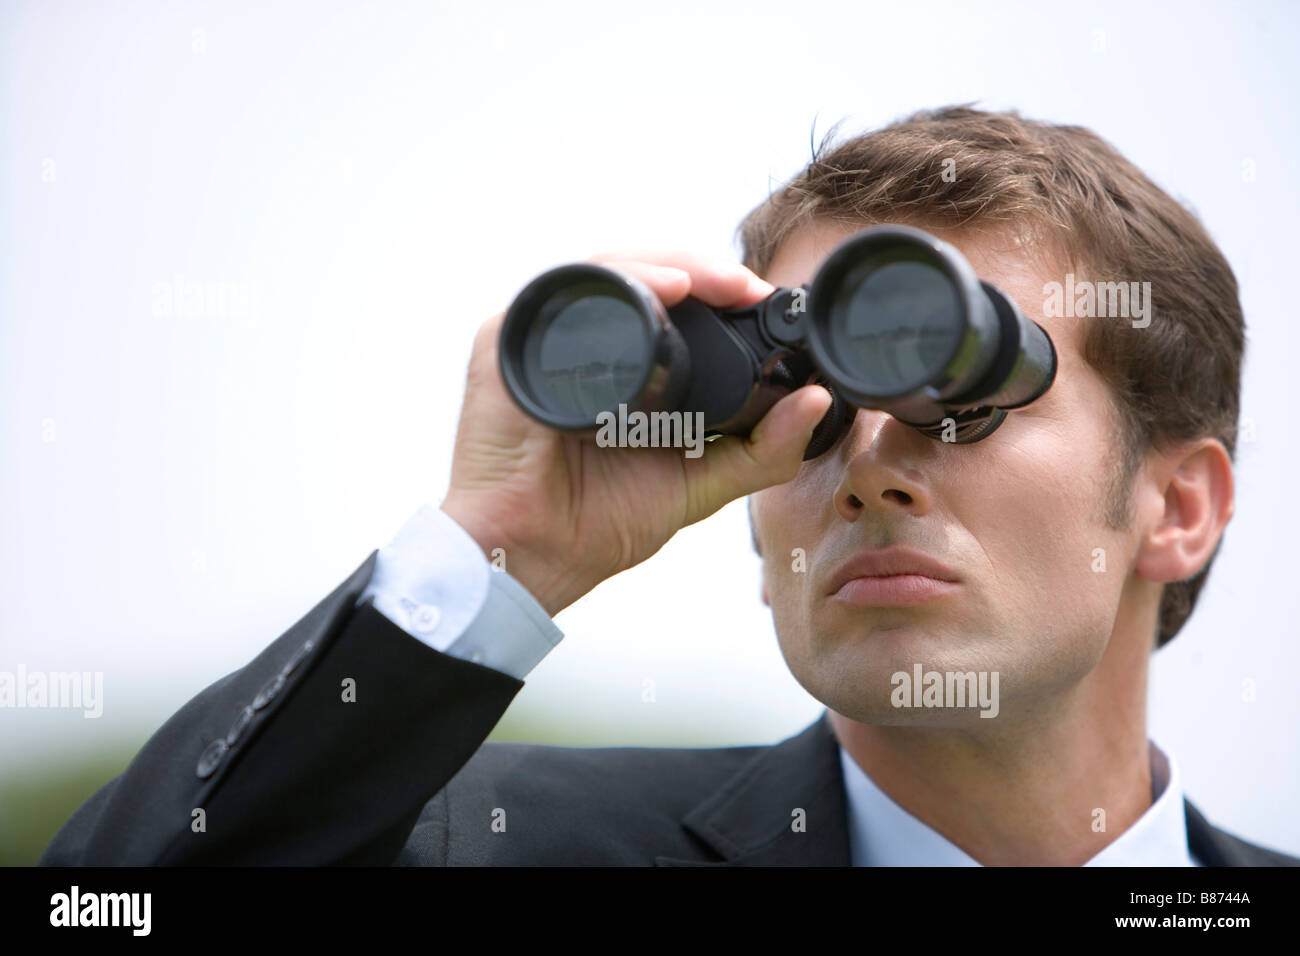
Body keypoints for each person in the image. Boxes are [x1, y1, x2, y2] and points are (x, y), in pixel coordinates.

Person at [40, 105, 1299, 866]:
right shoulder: (480, 841)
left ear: (1176, 505)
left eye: (956, 398)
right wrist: (503, 551)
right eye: (807, 408)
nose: (868, 466)